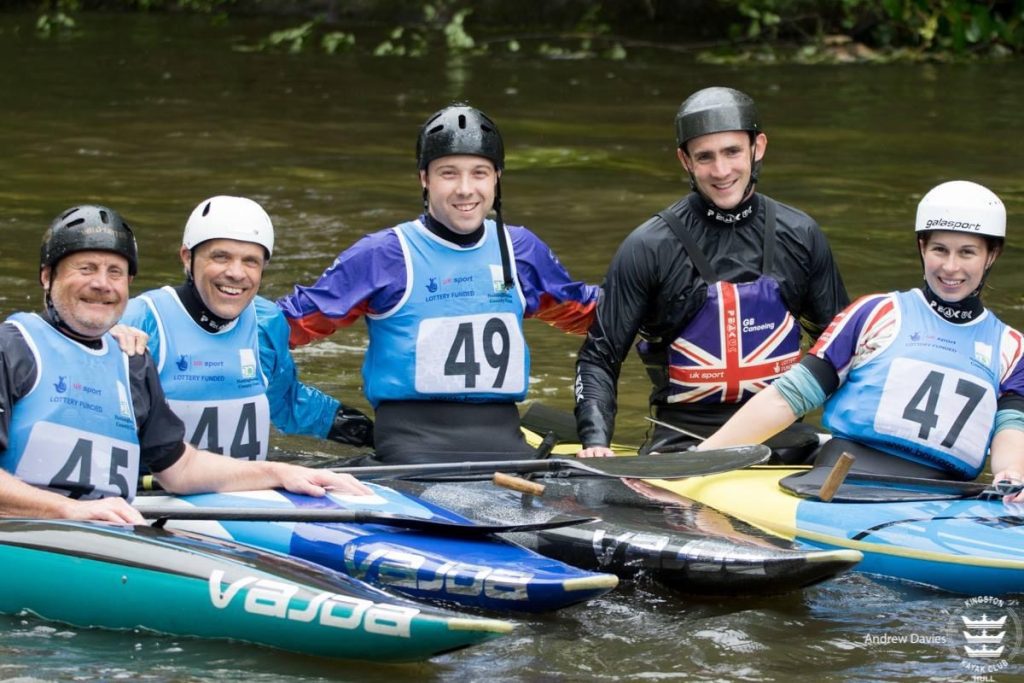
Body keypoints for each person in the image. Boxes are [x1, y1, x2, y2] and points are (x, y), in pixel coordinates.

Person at [0, 204, 370, 525]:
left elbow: (181, 468)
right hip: (36, 535)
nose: (102, 284)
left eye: (115, 272)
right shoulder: (13, 346)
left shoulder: (130, 361)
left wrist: (280, 472)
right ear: (47, 277)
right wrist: (67, 511)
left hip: (113, 529)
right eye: (86, 268)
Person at [278, 104, 599, 464]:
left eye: (479, 173)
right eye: (448, 173)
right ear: (424, 179)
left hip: (504, 444)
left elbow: (595, 315)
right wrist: (321, 416)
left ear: (497, 178)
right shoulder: (383, 255)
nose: (465, 189)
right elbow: (277, 330)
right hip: (409, 445)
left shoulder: (520, 250)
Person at [698, 180, 1024, 503]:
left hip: (946, 499)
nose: (951, 267)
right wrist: (703, 457)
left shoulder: (1011, 348)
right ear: (922, 247)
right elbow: (789, 398)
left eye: (967, 252)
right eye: (940, 250)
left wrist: (1012, 473)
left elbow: (1012, 427)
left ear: (991, 255)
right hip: (841, 479)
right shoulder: (876, 313)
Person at [575, 86, 848, 458]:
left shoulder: (801, 235)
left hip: (785, 441)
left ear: (758, 147)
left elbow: (842, 349)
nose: (721, 171)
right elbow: (599, 358)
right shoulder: (649, 247)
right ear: (685, 160)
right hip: (683, 444)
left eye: (732, 152)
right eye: (705, 157)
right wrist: (596, 443)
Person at [118, 195, 373, 461]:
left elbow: (285, 402)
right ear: (187, 257)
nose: (236, 273)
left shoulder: (266, 321)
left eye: (250, 261)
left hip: (246, 488)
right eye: (221, 257)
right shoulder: (139, 320)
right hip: (162, 492)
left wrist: (366, 432)